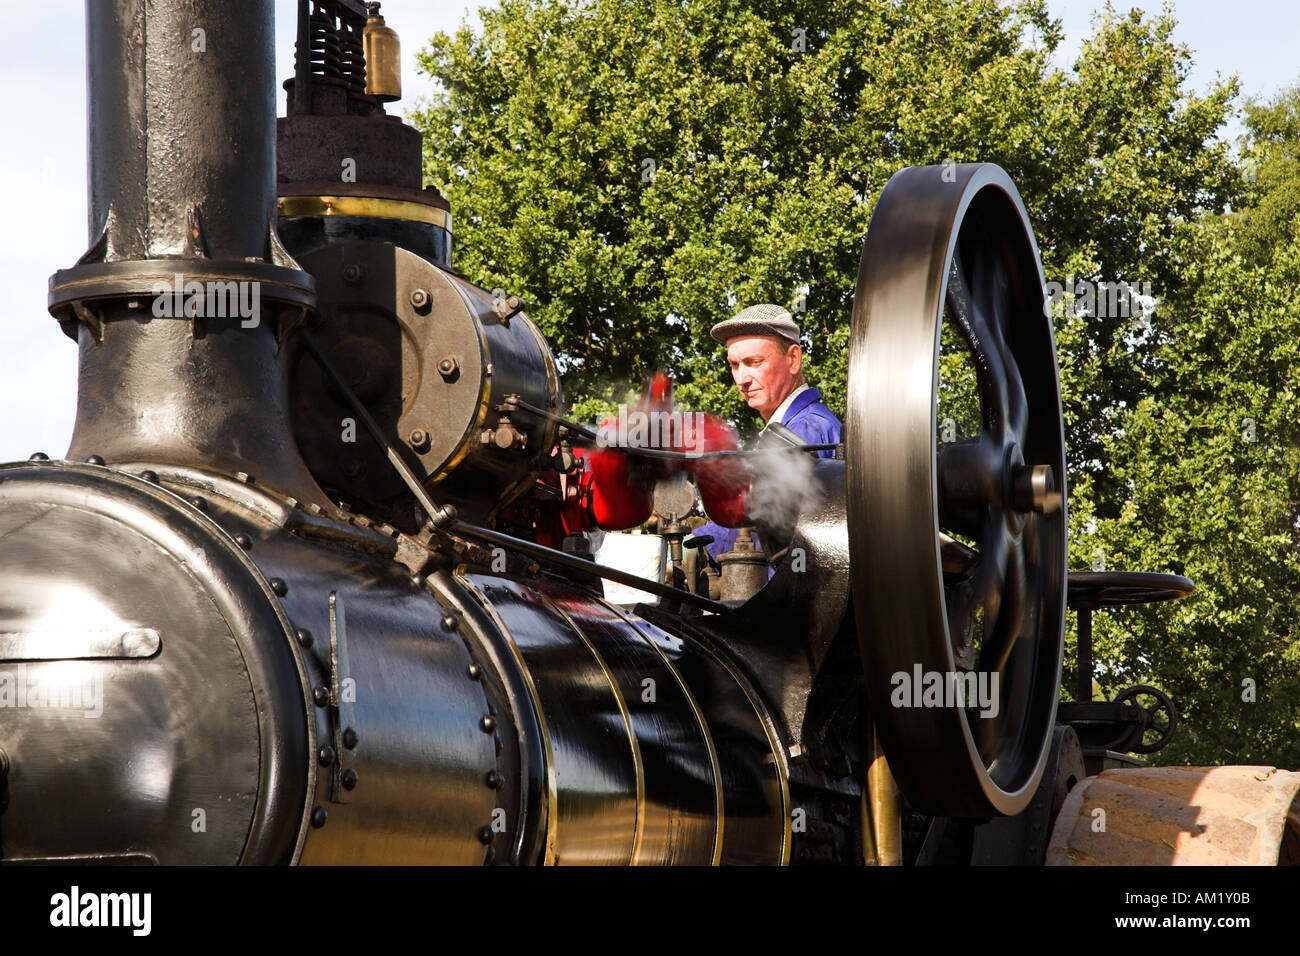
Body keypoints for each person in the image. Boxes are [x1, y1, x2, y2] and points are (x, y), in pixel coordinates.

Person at [693, 304, 843, 564]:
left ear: (793, 359)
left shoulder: (803, 430)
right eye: (734, 365)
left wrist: (699, 548)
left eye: (754, 362)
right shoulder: (795, 426)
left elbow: (765, 521)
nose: (742, 379)